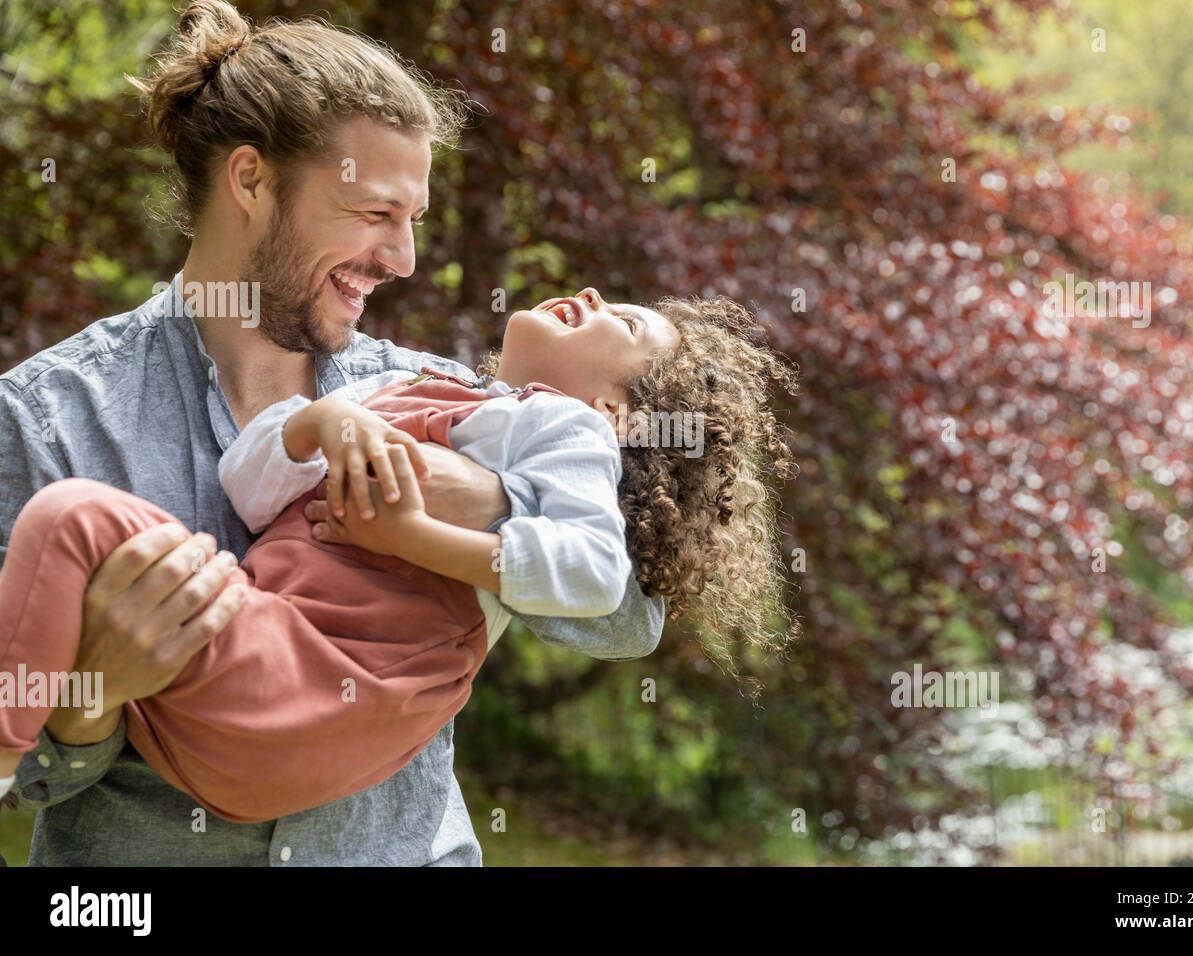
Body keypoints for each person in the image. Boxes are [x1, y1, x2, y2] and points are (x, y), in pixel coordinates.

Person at [0, 0, 661, 865]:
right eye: (375, 213)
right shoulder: (47, 417)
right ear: (251, 180)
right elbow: (35, 782)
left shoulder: (444, 403)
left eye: (413, 219)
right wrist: (92, 701)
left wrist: (493, 503)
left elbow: (627, 620)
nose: (404, 259)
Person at [0, 288, 798, 824]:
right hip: (239, 721)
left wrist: (424, 531)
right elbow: (248, 492)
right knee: (90, 555)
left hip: (302, 689)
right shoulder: (409, 387)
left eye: (619, 323)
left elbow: (601, 582)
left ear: (613, 412)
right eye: (376, 210)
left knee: (71, 521)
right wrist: (316, 425)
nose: (589, 295)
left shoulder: (565, 428)